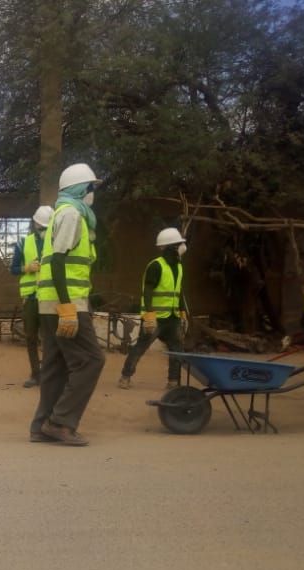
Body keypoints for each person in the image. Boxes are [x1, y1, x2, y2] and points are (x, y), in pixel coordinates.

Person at [30, 163, 106, 446]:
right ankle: (60, 422)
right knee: (91, 360)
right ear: (78, 189)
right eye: (90, 188)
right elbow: (60, 260)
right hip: (66, 303)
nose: (92, 194)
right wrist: (67, 307)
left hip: (49, 303)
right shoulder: (72, 215)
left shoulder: (65, 214)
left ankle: (40, 427)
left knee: (55, 365)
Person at [118, 227, 188, 390]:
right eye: (179, 244)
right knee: (140, 347)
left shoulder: (179, 266)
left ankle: (173, 382)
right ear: (171, 247)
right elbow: (147, 291)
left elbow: (179, 291)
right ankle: (125, 376)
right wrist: (149, 315)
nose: (182, 247)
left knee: (177, 350)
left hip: (172, 318)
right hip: (155, 318)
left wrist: (182, 311)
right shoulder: (156, 266)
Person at [10, 205, 53, 387]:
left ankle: (50, 374)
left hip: (50, 297)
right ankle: (36, 374)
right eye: (41, 226)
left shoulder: (56, 243)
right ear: (35, 224)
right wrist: (26, 268)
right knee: (31, 337)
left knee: (50, 339)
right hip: (31, 298)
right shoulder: (23, 243)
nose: (42, 230)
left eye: (46, 227)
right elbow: (13, 269)